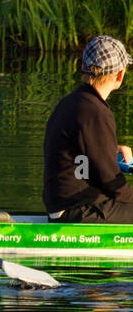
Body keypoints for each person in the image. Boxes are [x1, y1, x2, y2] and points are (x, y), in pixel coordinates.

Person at [42, 35, 133, 222]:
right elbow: (111, 182)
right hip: (77, 210)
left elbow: (81, 156)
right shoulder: (96, 112)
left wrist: (111, 150)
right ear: (120, 74)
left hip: (63, 205)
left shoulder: (71, 102)